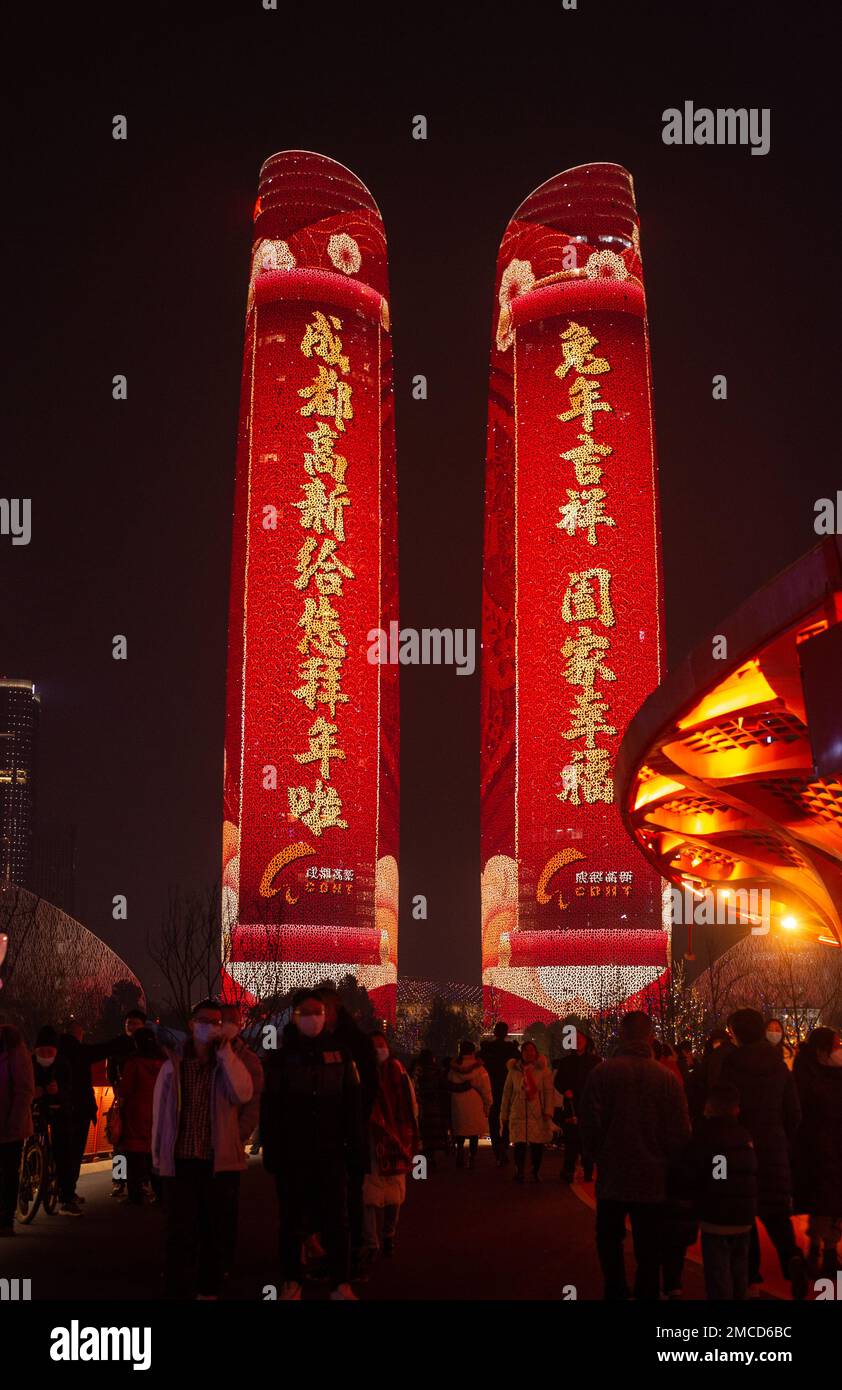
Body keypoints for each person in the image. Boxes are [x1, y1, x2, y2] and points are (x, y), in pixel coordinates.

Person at [579, 1011, 690, 1301]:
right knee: (649, 1243)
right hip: (653, 1176)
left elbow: (588, 1123)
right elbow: (680, 1131)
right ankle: (647, 1292)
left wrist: (597, 1156)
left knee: (609, 1238)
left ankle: (616, 1289)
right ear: (650, 1037)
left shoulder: (602, 1073)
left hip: (613, 1173)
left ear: (622, 1035)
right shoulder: (666, 1078)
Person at [261, 989, 364, 1301]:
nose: (312, 1019)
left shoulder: (341, 1054)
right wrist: (272, 1150)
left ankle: (340, 1283)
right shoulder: (281, 1058)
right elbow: (270, 1108)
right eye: (305, 1013)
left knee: (337, 1219)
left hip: (332, 1151)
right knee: (291, 1219)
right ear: (295, 1016)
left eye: (317, 1012)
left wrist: (355, 1148)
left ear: (326, 1015)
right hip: (294, 1153)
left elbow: (353, 1104)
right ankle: (292, 1280)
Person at [152, 997, 254, 1300]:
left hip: (217, 1164)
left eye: (216, 1022)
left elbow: (243, 1093)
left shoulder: (227, 1064)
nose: (209, 1027)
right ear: (191, 1024)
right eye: (204, 1021)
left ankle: (208, 1290)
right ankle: (178, 1290)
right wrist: (158, 1159)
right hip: (181, 1162)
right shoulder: (173, 1066)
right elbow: (160, 1113)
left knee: (214, 1233)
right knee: (178, 1235)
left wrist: (225, 1053)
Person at [720, 1007, 806, 1299]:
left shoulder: (730, 1065)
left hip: (739, 1147)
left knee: (744, 1214)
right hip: (774, 1145)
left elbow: (723, 1108)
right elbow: (794, 1112)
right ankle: (791, 1256)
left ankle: (751, 1277)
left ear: (737, 1034)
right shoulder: (778, 1064)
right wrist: (782, 1138)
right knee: (777, 1211)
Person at [672, 1081, 757, 1300]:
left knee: (718, 1273)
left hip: (715, 1215)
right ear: (736, 1109)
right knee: (739, 1270)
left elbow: (692, 1172)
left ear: (709, 1107)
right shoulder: (744, 1136)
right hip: (743, 1215)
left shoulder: (704, 1136)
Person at [318, 985, 378, 1279]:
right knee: (322, 1197)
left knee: (348, 1196)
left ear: (336, 1007)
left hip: (347, 1134)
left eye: (323, 1009)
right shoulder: (310, 1043)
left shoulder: (354, 1043)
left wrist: (354, 1123)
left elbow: (368, 1090)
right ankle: (327, 1254)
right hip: (320, 1137)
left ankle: (351, 1255)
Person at [58, 1021, 133, 1211]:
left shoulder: (58, 1052)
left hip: (115, 1103)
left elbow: (109, 1075)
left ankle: (120, 1181)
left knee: (119, 1145)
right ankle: (131, 1184)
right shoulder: (126, 1055)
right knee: (124, 1145)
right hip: (122, 1105)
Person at [362, 1032, 419, 1262]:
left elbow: (410, 1104)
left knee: (394, 1195)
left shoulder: (398, 1071)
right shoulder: (362, 1072)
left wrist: (410, 1134)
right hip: (370, 1139)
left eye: (381, 1045)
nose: (378, 1050)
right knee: (367, 1194)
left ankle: (388, 1233)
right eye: (373, 1046)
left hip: (395, 1139)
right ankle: (371, 1242)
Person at [792, 1026, 842, 1279]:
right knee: (822, 1200)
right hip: (816, 1146)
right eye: (835, 1045)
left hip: (834, 1145)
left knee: (832, 1201)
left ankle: (829, 1250)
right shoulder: (806, 1071)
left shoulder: (834, 1071)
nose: (839, 1049)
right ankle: (819, 1249)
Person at [218, 1000, 264, 1274]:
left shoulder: (248, 1060)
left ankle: (222, 1261)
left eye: (232, 1020)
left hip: (229, 1149)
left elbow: (254, 1101)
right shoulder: (195, 1055)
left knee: (225, 1206)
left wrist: (239, 1135)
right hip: (195, 1149)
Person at [117, 1027, 165, 1205]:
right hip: (158, 1115)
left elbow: (125, 1089)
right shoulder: (164, 1063)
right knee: (154, 1157)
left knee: (133, 1156)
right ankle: (160, 1193)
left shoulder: (134, 1063)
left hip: (136, 1115)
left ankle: (133, 1193)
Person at [32, 1026, 76, 1215]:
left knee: (63, 1150)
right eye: (42, 1051)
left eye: (49, 1051)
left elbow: (69, 1091)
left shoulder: (63, 1064)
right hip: (36, 1108)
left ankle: (67, 1197)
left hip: (59, 1109)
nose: (45, 1055)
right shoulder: (29, 1063)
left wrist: (58, 1092)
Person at [499, 1040, 554, 1182]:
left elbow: (548, 1092)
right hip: (518, 1112)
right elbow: (507, 1092)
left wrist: (548, 1110)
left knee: (537, 1145)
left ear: (536, 1053)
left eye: (532, 1050)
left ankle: (535, 1170)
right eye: (526, 1050)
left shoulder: (543, 1070)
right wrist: (504, 1113)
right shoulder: (514, 1070)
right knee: (519, 1145)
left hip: (537, 1112)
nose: (529, 1053)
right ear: (521, 1053)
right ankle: (519, 1171)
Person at [108, 1009, 148, 1197]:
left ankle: (141, 1181)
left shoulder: (147, 1045)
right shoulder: (119, 1046)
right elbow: (111, 1071)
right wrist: (116, 1088)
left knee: (141, 1143)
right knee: (119, 1142)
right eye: (129, 1024)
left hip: (141, 1102)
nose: (131, 1027)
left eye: (135, 1024)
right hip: (123, 1100)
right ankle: (119, 1181)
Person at [553, 1029, 601, 1182]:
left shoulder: (595, 1061)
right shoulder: (566, 1062)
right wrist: (565, 1090)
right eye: (574, 1039)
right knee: (571, 1140)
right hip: (571, 1105)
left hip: (589, 1106)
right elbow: (558, 1081)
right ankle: (568, 1170)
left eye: (580, 1038)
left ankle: (588, 1170)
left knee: (588, 1140)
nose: (578, 1041)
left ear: (586, 1041)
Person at [0, 1022, 35, 1235]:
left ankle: (5, 1219)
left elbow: (24, 1090)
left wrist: (13, 1124)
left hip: (9, 1125)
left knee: (7, 1171)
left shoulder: (14, 1050)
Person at [480, 1022, 519, 1165]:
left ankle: (497, 1149)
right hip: (508, 1088)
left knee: (494, 1119)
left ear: (495, 1032)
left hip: (492, 1087)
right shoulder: (512, 1049)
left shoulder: (487, 1048)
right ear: (506, 1032)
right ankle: (504, 1146)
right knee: (507, 1118)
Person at [448, 1042, 491, 1168]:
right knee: (474, 1132)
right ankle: (472, 1157)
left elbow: (449, 1082)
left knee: (460, 1130)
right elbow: (485, 1087)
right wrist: (488, 1103)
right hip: (475, 1100)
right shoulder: (480, 1068)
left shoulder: (454, 1068)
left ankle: (459, 1153)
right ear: (473, 1052)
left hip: (457, 1100)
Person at [687, 1028, 735, 1129]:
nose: (718, 1044)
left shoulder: (716, 1057)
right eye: (716, 1041)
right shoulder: (728, 1054)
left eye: (720, 1041)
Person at [412, 1048, 450, 1169]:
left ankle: (421, 1166)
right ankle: (431, 1158)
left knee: (422, 1134)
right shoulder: (437, 1072)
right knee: (432, 1134)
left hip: (420, 1105)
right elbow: (445, 1086)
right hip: (434, 1106)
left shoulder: (416, 1072)